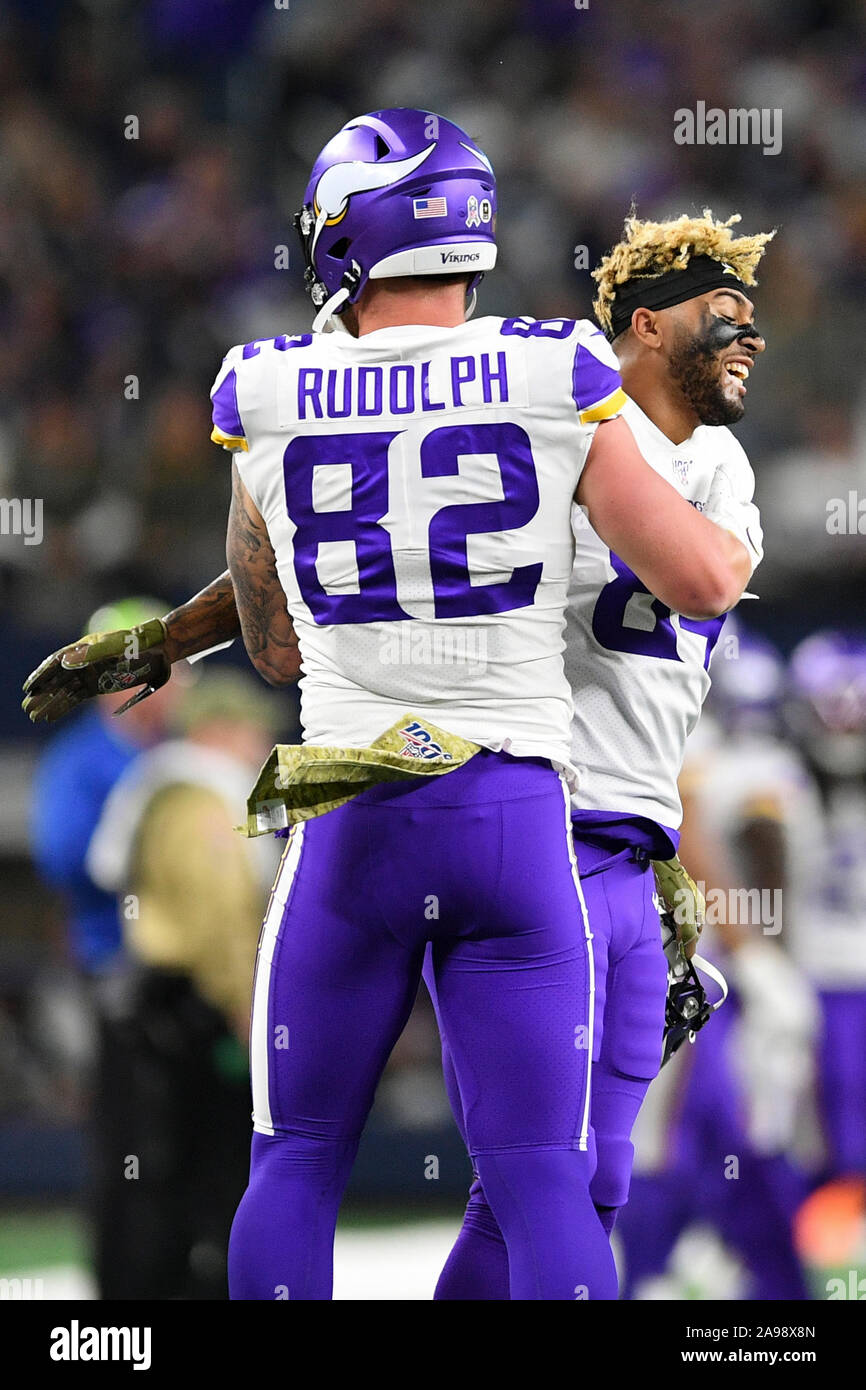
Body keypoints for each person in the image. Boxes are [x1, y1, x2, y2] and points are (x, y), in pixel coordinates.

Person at [24, 112, 756, 1300]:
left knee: (298, 1160)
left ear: (337, 238)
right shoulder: (551, 369)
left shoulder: (262, 387)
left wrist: (165, 635)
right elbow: (696, 577)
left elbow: (268, 643)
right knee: (539, 1178)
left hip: (355, 801)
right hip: (519, 814)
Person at [84, 669, 281, 1298]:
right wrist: (245, 1003)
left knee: (144, 1170)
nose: (260, 745)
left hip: (153, 1004)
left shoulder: (163, 785)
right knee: (183, 1175)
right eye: (250, 730)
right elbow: (218, 913)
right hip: (185, 1010)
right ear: (217, 729)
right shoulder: (201, 797)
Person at [28, 596, 183, 1298]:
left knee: (184, 1140)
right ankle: (122, 1294)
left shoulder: (173, 752)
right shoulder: (86, 759)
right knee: (128, 1141)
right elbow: (64, 858)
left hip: (182, 977)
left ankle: (179, 1272)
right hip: (118, 972)